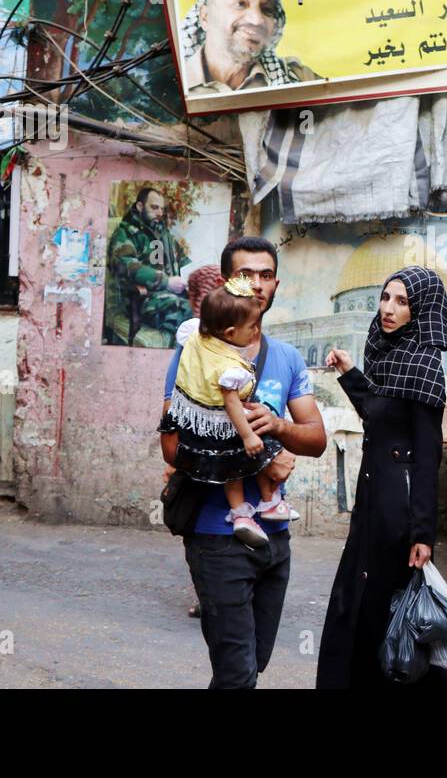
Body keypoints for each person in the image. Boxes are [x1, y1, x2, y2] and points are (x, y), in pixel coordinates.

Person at [163, 236, 327, 688]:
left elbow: (315, 439)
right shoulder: (194, 354)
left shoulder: (288, 359)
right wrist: (250, 456)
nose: (257, 284)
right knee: (237, 675)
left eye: (266, 275)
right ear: (224, 282)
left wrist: (275, 428)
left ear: (276, 284)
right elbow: (171, 447)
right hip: (216, 538)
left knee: (253, 664)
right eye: (245, 275)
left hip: (275, 539)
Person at [316, 266, 447, 689]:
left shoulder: (423, 367)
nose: (388, 309)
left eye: (402, 302)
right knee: (357, 601)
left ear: (422, 310)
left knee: (381, 606)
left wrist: (423, 534)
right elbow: (378, 415)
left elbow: (426, 457)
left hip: (396, 510)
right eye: (385, 298)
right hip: (372, 496)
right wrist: (349, 374)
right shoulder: (385, 352)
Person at [167, 279, 288, 546]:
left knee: (230, 471)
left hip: (198, 421)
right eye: (251, 327)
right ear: (231, 332)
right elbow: (231, 402)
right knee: (265, 448)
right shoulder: (229, 366)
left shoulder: (196, 336)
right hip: (224, 422)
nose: (256, 330)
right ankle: (269, 502)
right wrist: (247, 435)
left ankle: (240, 515)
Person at [180, 0, 320, 95]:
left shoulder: (299, 78)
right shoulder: (173, 82)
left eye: (267, 9)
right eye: (241, 4)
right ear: (205, 17)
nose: (258, 20)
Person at [104, 186, 192, 347]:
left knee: (208, 307)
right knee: (186, 311)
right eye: (154, 207)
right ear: (139, 207)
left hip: (171, 293)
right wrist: (166, 282)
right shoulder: (125, 233)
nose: (160, 212)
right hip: (143, 299)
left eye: (161, 208)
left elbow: (183, 262)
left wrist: (194, 277)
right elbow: (128, 266)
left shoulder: (162, 233)